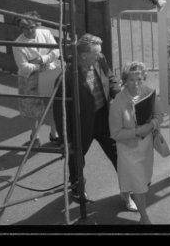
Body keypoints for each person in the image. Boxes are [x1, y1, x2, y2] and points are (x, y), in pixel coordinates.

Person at [53, 33, 124, 207]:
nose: (99, 55)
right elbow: (60, 113)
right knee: (77, 158)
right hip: (82, 124)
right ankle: (77, 188)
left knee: (117, 153)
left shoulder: (99, 59)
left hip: (103, 118)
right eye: (96, 53)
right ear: (84, 55)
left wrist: (117, 91)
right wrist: (66, 139)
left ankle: (128, 185)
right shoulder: (66, 78)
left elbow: (110, 77)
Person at [109, 62, 165, 224]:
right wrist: (137, 132)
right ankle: (144, 218)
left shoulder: (150, 93)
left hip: (146, 149)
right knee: (140, 185)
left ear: (144, 78)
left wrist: (152, 124)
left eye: (139, 79)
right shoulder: (117, 103)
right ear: (125, 81)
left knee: (143, 180)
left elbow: (159, 115)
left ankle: (125, 193)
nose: (136, 84)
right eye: (131, 80)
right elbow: (115, 133)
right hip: (128, 150)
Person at [13, 12, 61, 148]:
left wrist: (41, 60)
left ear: (37, 25)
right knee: (31, 109)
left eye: (31, 27)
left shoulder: (45, 33)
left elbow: (56, 51)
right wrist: (41, 65)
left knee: (52, 105)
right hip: (29, 78)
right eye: (24, 28)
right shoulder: (17, 44)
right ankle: (35, 136)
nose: (28, 31)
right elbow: (23, 67)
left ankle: (54, 133)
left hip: (48, 73)